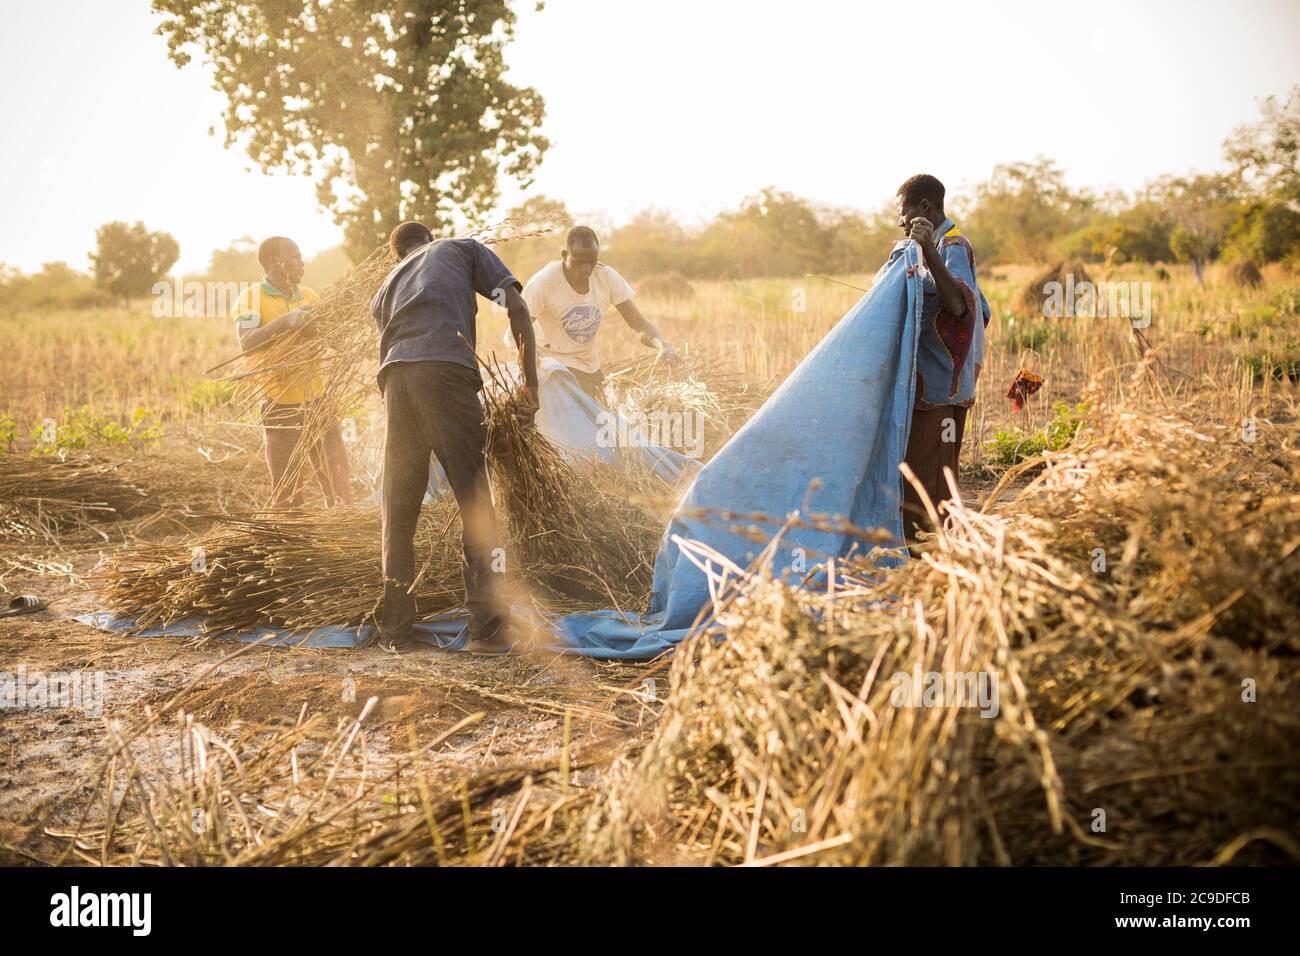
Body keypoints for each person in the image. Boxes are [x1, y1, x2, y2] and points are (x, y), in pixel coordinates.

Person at [371, 221, 540, 654]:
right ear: (429, 239)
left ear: (399, 255)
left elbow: (394, 350)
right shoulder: (461, 248)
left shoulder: (387, 286)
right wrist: (531, 386)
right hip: (445, 374)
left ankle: (395, 630)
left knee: (398, 504)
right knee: (473, 497)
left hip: (396, 383)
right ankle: (485, 629)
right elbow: (516, 308)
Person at [894, 174, 990, 547]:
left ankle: (925, 558)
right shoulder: (935, 245)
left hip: (938, 388)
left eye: (903, 212)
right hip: (942, 385)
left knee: (925, 482)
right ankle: (940, 557)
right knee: (938, 479)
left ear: (925, 208)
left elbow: (961, 306)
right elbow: (982, 308)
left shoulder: (950, 245)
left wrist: (929, 253)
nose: (900, 222)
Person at [232, 237, 353, 507]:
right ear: (276, 261)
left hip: (318, 401)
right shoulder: (251, 298)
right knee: (287, 494)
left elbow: (333, 339)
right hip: (280, 405)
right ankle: (290, 545)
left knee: (338, 485)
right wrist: (287, 321)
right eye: (296, 257)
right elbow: (247, 342)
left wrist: (340, 323)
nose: (302, 263)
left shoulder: (309, 296)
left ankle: (339, 537)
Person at [506, 225, 678, 403]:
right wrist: (534, 373)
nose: (586, 268)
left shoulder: (606, 278)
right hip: (549, 366)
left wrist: (662, 345)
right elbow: (514, 335)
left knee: (601, 420)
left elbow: (639, 325)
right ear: (564, 255)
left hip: (587, 366)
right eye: (579, 261)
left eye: (591, 261)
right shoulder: (543, 283)